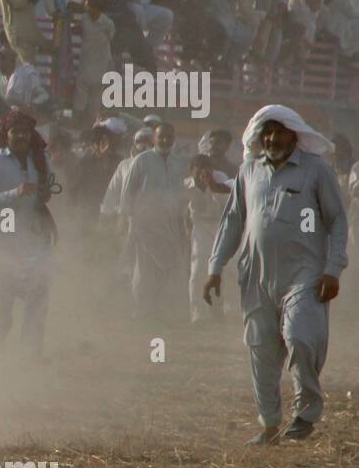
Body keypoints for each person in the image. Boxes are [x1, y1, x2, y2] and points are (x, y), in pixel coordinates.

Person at [204, 105, 347, 444]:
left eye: (279, 131)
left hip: (305, 273)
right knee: (261, 349)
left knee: (300, 337)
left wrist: (333, 269)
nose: (271, 138)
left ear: (294, 134)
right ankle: (269, 425)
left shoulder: (316, 170)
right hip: (255, 274)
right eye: (266, 132)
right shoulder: (248, 171)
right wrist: (214, 268)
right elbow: (233, 222)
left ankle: (305, 414)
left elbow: (337, 221)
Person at [0, 109, 56, 352]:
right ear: (5, 134)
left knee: (39, 289)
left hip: (30, 239)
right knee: (0, 301)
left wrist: (43, 197)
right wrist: (15, 193)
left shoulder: (39, 161)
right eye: (15, 131)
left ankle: (31, 351)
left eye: (25, 131)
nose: (21, 136)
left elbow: (43, 194)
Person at [119, 123, 188, 322]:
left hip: (172, 223)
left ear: (174, 139)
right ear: (153, 139)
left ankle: (165, 312)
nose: (165, 140)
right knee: (143, 270)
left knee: (170, 267)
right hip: (145, 223)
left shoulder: (180, 163)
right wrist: (123, 218)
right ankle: (141, 313)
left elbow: (184, 194)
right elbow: (128, 191)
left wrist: (185, 221)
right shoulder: (142, 161)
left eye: (169, 136)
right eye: (161, 137)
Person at [185, 154, 230, 324]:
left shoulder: (221, 179)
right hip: (200, 229)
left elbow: (228, 205)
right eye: (199, 170)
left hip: (221, 227)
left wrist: (211, 185)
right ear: (191, 171)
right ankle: (198, 313)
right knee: (198, 269)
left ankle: (223, 310)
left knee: (225, 270)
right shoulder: (185, 186)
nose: (204, 173)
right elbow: (182, 209)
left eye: (208, 169)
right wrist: (186, 227)